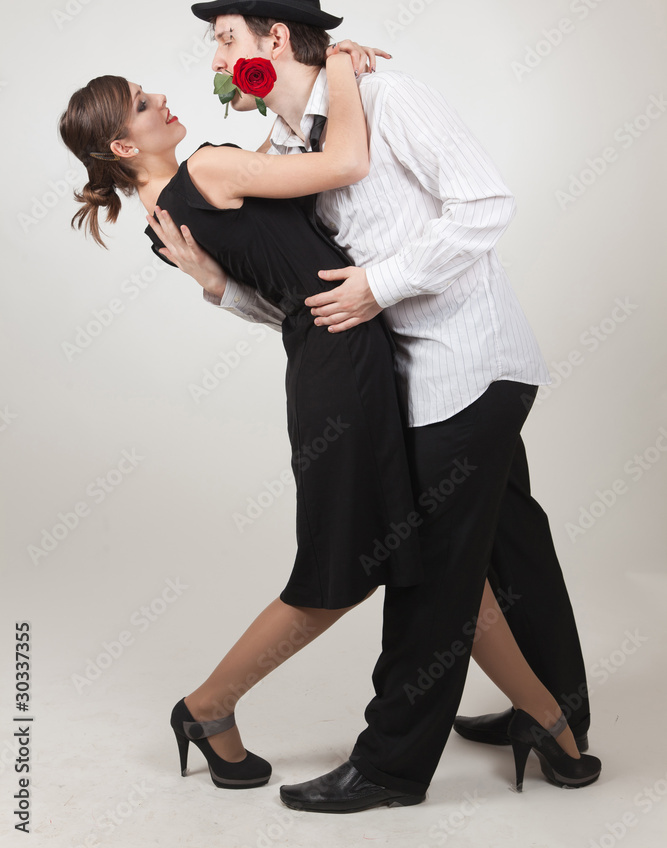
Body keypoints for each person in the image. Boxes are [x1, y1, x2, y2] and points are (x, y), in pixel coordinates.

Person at [59, 42, 600, 805]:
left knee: (437, 563)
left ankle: (549, 721)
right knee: (340, 571)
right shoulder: (207, 168)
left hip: (353, 357)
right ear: (121, 143)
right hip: (346, 371)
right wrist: (340, 68)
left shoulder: (165, 217)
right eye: (145, 104)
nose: (166, 100)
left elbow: (284, 278)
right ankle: (207, 708)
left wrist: (218, 273)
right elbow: (345, 162)